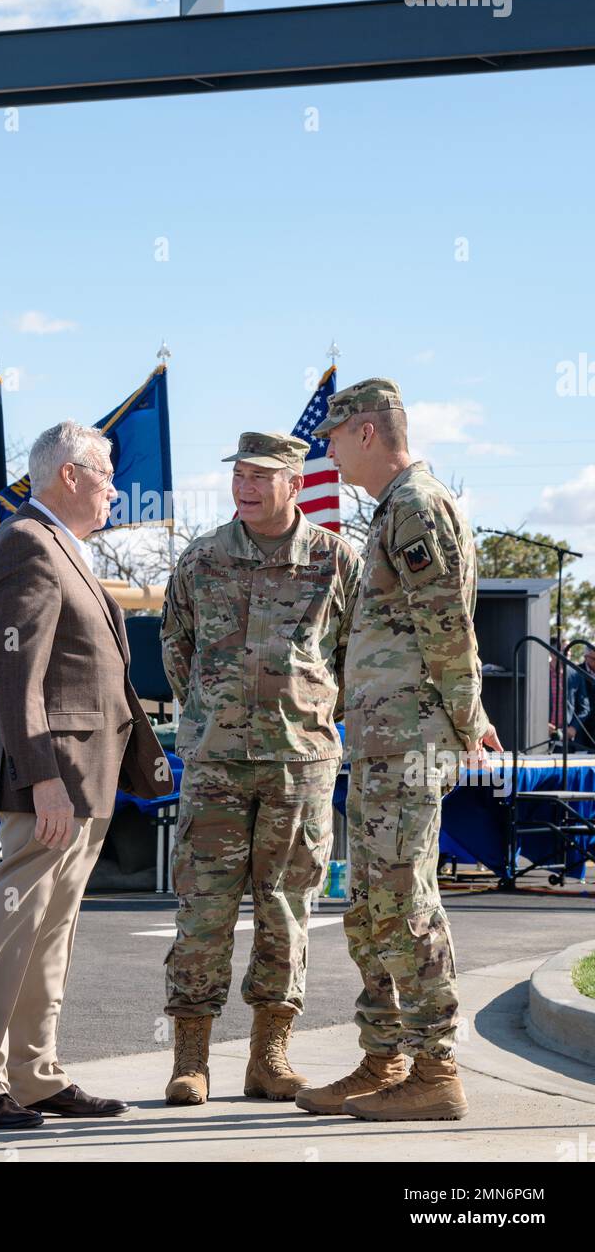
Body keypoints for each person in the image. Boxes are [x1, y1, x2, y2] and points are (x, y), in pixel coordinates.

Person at [0, 420, 173, 1130]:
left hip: (88, 777)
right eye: (106, 472)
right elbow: (17, 678)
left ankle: (35, 1073)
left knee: (51, 932)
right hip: (52, 778)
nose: (115, 486)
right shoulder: (26, 543)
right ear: (69, 476)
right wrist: (42, 776)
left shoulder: (60, 546)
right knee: (13, 928)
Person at [296, 379, 502, 1123]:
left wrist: (467, 720)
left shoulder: (416, 506)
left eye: (335, 439)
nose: (328, 453)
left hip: (410, 740)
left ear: (368, 434)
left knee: (404, 901)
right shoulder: (396, 507)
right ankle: (385, 1059)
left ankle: (435, 1069)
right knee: (375, 903)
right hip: (388, 738)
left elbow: (446, 624)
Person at [160, 431, 362, 1104]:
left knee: (286, 910)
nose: (244, 486)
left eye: (260, 476)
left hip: (300, 763)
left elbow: (356, 655)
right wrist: (217, 713)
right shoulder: (201, 560)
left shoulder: (337, 562)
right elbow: (176, 646)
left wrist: (305, 710)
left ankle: (269, 1057)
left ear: (294, 484)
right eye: (239, 473)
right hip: (215, 762)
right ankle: (190, 1060)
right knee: (203, 909)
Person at [548, 640, 590, 751]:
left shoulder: (576, 674)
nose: (568, 653)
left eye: (570, 650)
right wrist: (543, 724)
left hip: (568, 740)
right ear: (552, 653)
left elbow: (584, 708)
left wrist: (574, 728)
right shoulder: (540, 673)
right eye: (565, 650)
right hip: (542, 737)